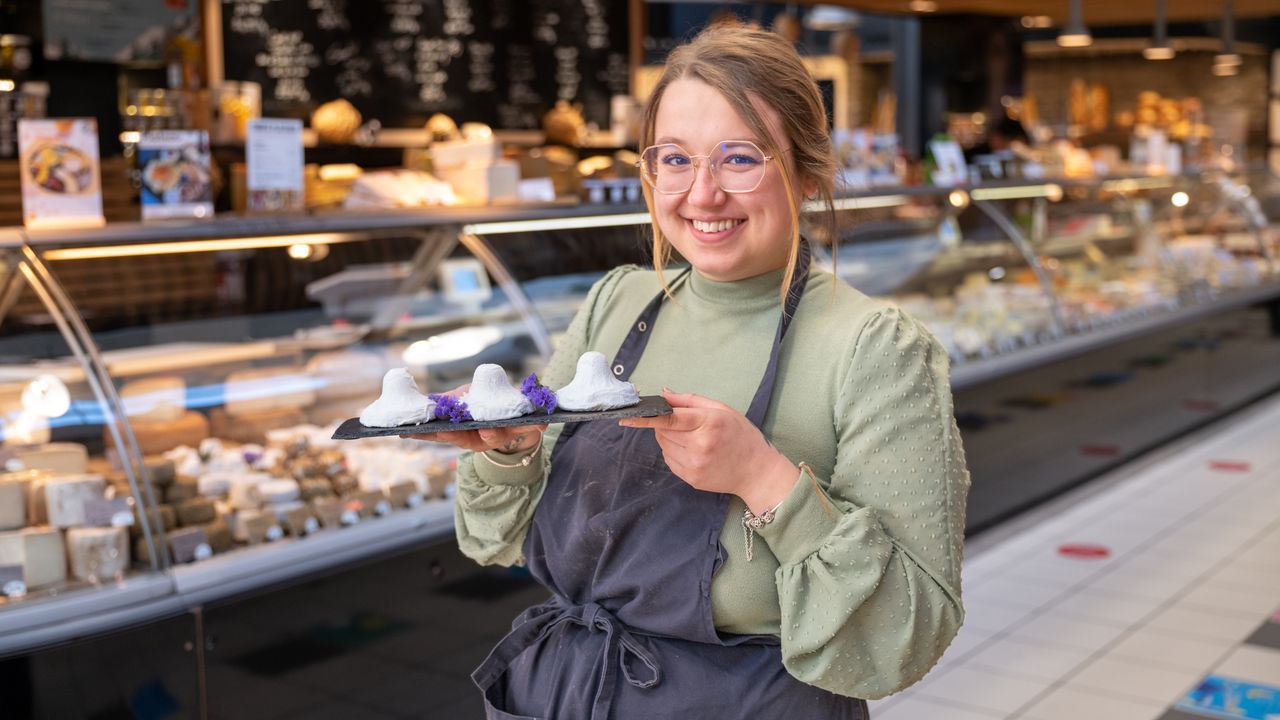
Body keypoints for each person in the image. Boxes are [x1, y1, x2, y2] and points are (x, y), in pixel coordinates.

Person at [415, 23, 969, 719]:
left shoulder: (877, 348)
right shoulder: (617, 301)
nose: (702, 195)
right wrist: (511, 451)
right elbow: (500, 537)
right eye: (675, 159)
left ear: (806, 171)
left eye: (739, 158)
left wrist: (763, 479)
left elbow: (906, 634)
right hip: (568, 693)